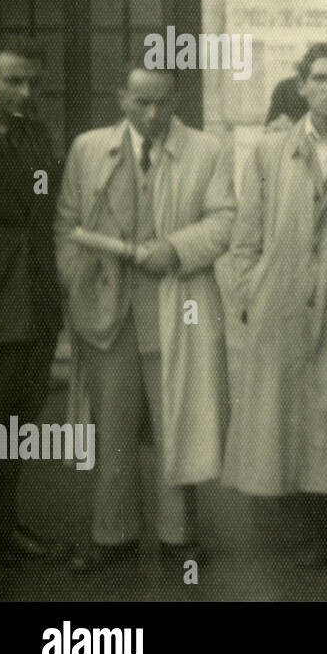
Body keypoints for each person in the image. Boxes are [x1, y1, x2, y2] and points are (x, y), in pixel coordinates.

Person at [220, 43, 327, 575]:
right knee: (288, 419)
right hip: (282, 300)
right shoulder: (272, 151)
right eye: (319, 78)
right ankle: (311, 539)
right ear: (302, 86)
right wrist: (251, 289)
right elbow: (245, 232)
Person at [56, 65, 234, 573]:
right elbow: (66, 224)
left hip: (178, 310)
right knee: (111, 427)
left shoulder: (207, 150)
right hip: (107, 315)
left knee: (176, 424)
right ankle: (112, 539)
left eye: (162, 102)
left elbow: (224, 221)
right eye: (140, 102)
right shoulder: (88, 149)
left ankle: (179, 540)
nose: (152, 114)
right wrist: (76, 284)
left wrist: (173, 250)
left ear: (176, 99)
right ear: (121, 99)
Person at [0, 38, 63, 577]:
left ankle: (3, 525)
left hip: (34, 302)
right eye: (13, 80)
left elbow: (48, 207)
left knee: (19, 419)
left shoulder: (35, 134)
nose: (25, 91)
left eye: (33, 82)